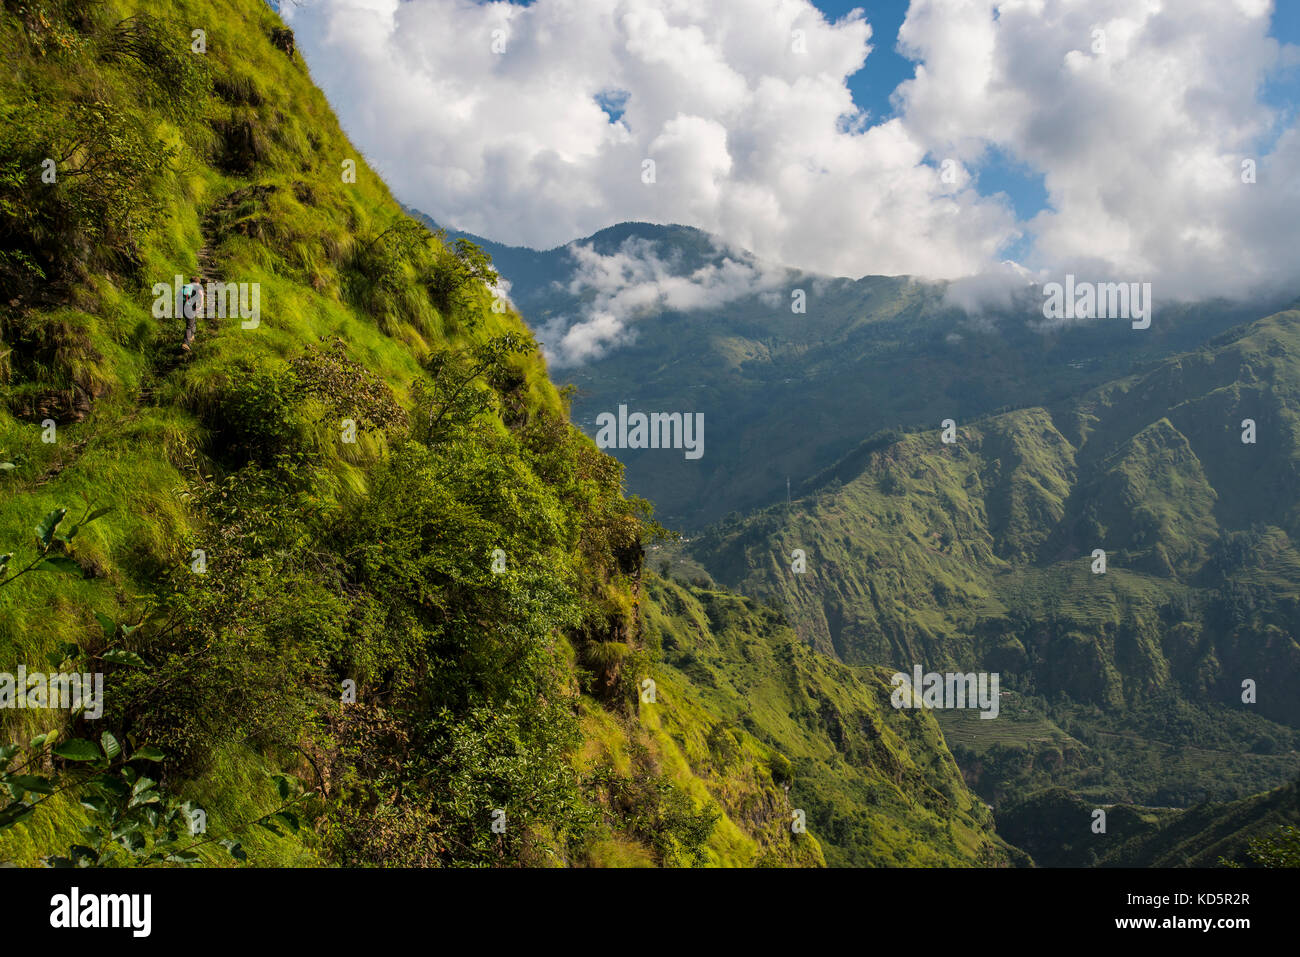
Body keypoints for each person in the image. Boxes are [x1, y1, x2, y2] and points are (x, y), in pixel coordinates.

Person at [181, 276, 203, 350]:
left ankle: (192, 337)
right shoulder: (196, 288)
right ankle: (185, 343)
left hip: (183, 308)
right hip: (190, 309)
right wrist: (199, 307)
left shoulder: (185, 287)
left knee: (192, 322)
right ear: (197, 282)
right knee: (189, 326)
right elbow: (201, 295)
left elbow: (178, 299)